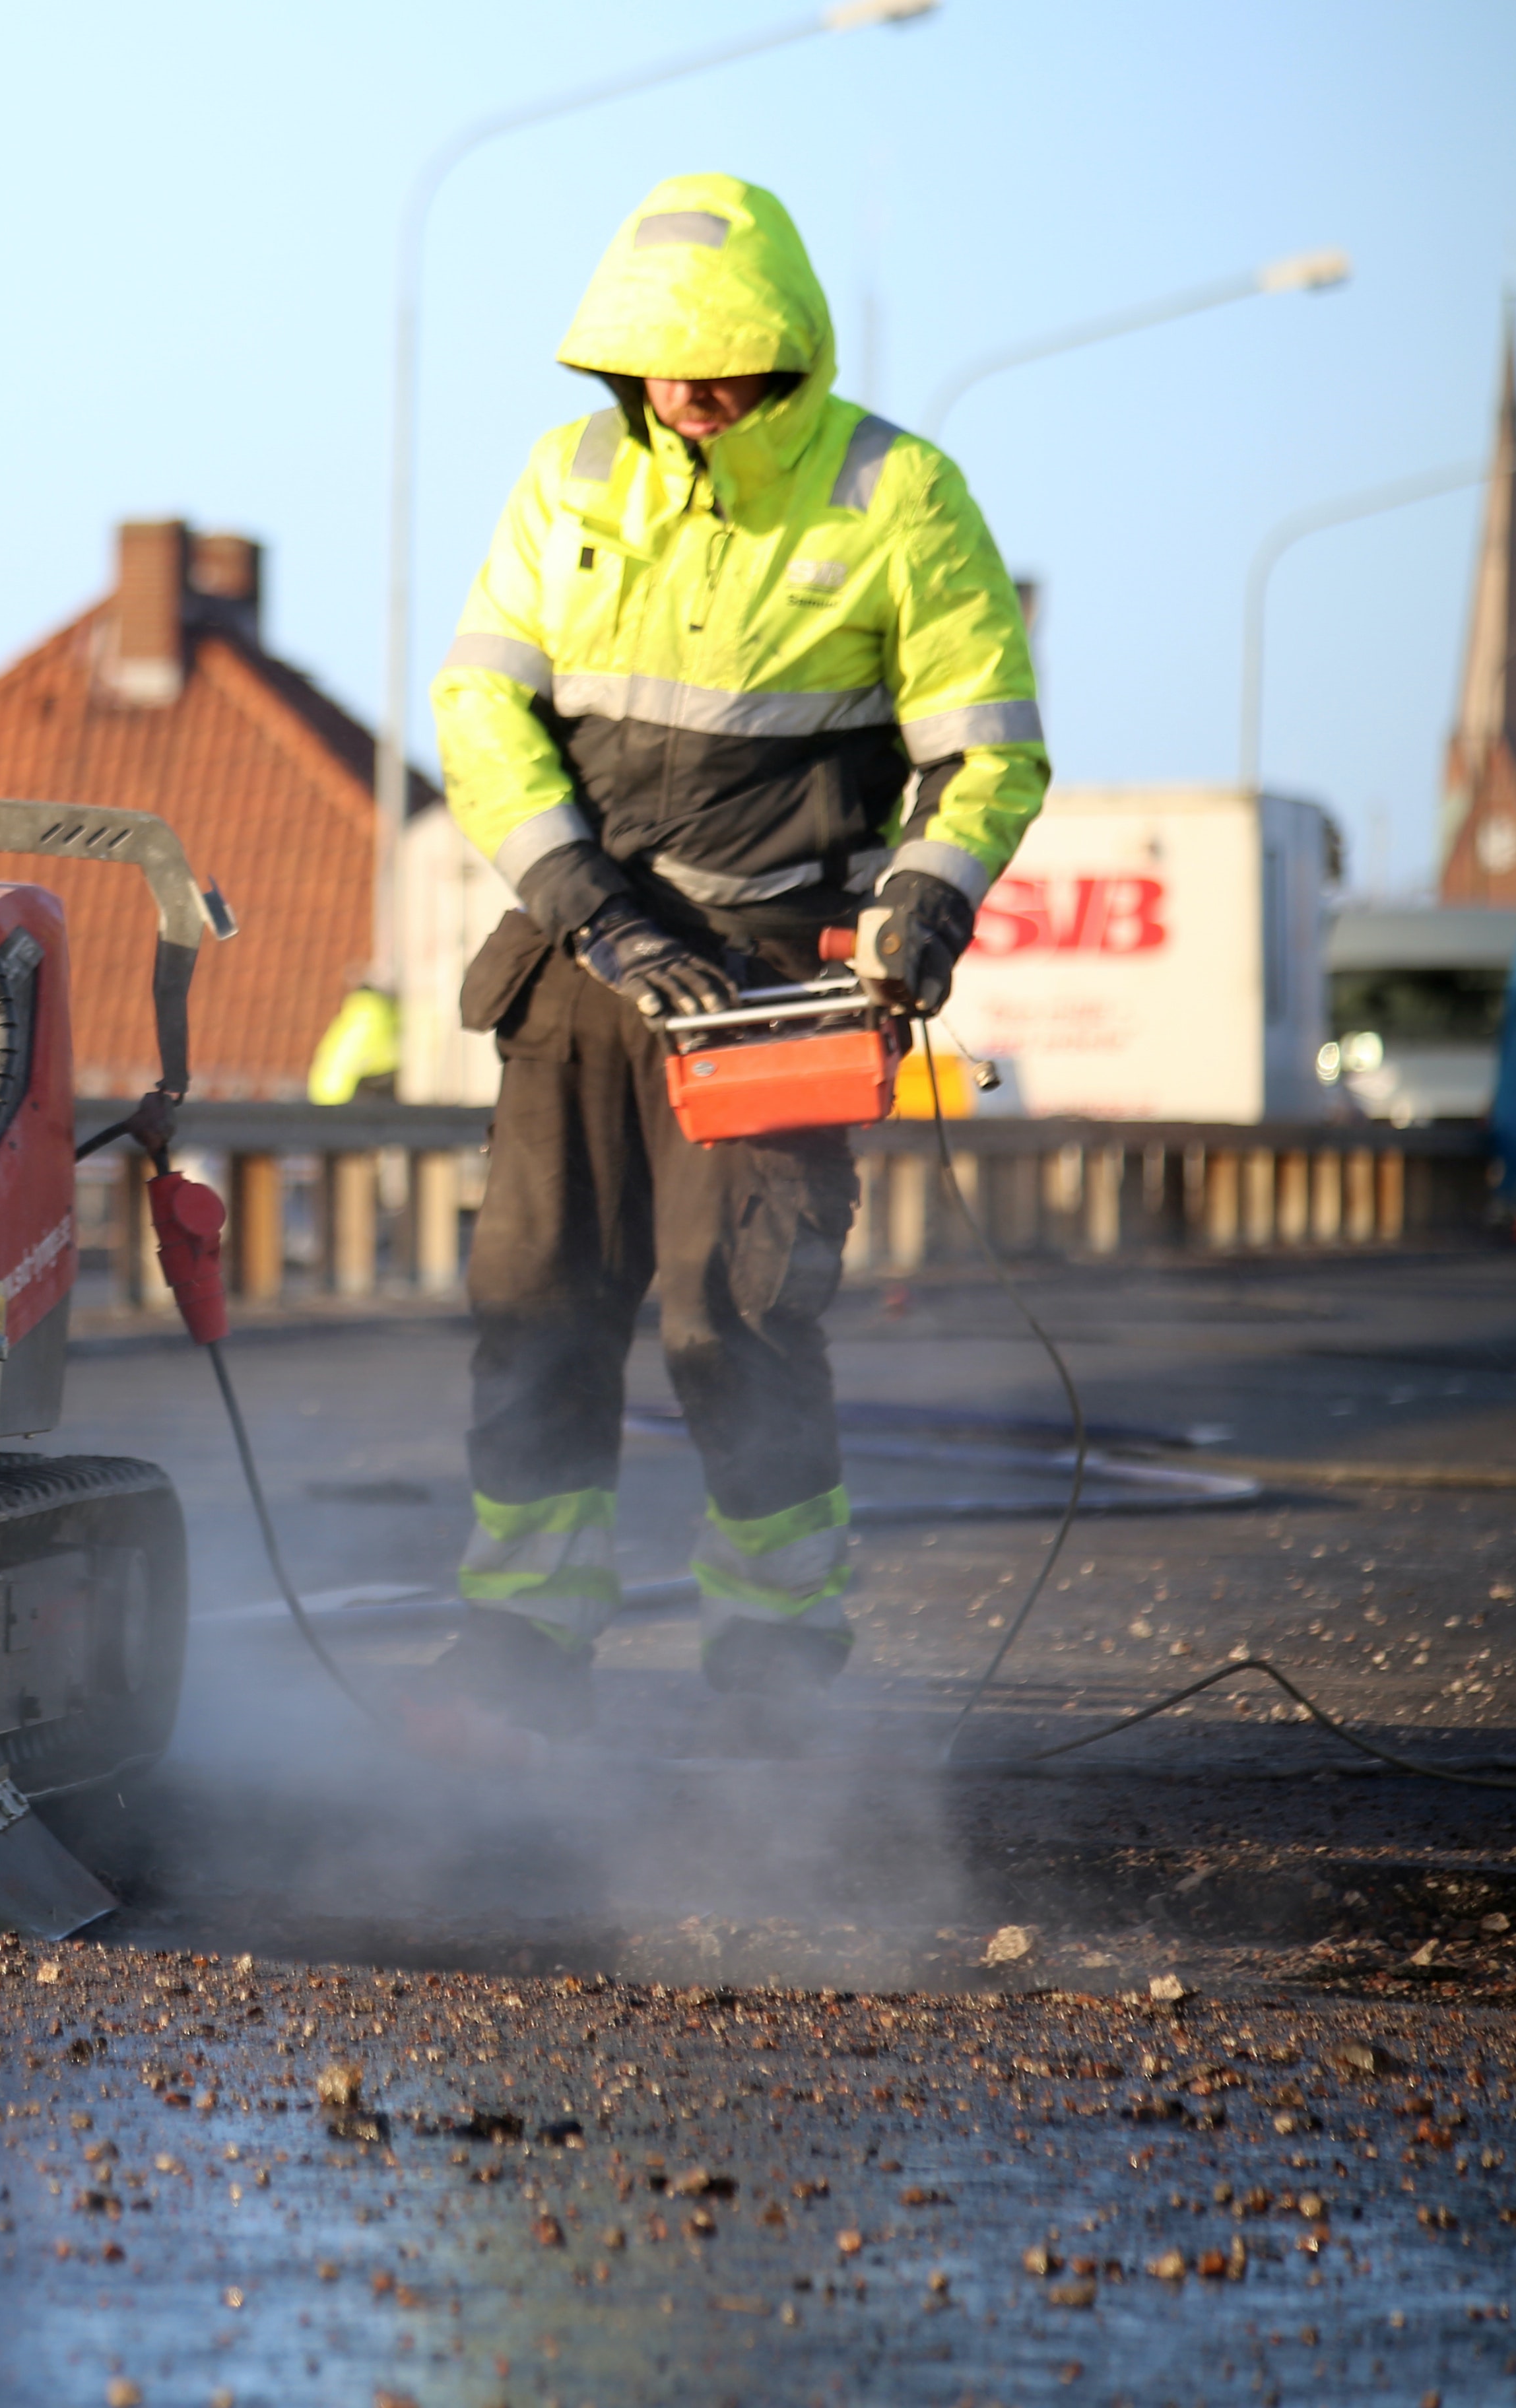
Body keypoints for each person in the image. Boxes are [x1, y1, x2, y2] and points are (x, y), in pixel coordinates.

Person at [421, 172, 1047, 1739]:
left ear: (790, 351)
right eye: (654, 366)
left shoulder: (898, 496)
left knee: (736, 1317)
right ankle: (520, 1650)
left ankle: (774, 1669)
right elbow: (479, 711)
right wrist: (588, 902)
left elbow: (986, 748)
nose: (684, 397)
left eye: (716, 366)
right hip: (586, 957)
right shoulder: (565, 480)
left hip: (775, 974)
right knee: (538, 1302)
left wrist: (927, 902)